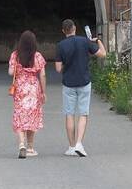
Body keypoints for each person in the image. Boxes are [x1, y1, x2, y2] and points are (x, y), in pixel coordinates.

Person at [55, 19, 105, 157]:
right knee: (83, 114)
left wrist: (66, 66)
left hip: (68, 84)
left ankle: (71, 147)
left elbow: (58, 68)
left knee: (69, 114)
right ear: (75, 28)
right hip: (84, 82)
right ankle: (79, 144)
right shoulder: (85, 41)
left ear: (63, 31)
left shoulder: (60, 45)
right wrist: (98, 41)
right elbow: (103, 54)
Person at [8, 30, 47, 159]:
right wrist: (43, 92)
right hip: (33, 88)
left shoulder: (15, 55)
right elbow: (42, 74)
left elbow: (10, 72)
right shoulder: (38, 56)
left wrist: (16, 70)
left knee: (20, 115)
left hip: (20, 88)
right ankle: (30, 148)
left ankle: (21, 145)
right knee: (32, 116)